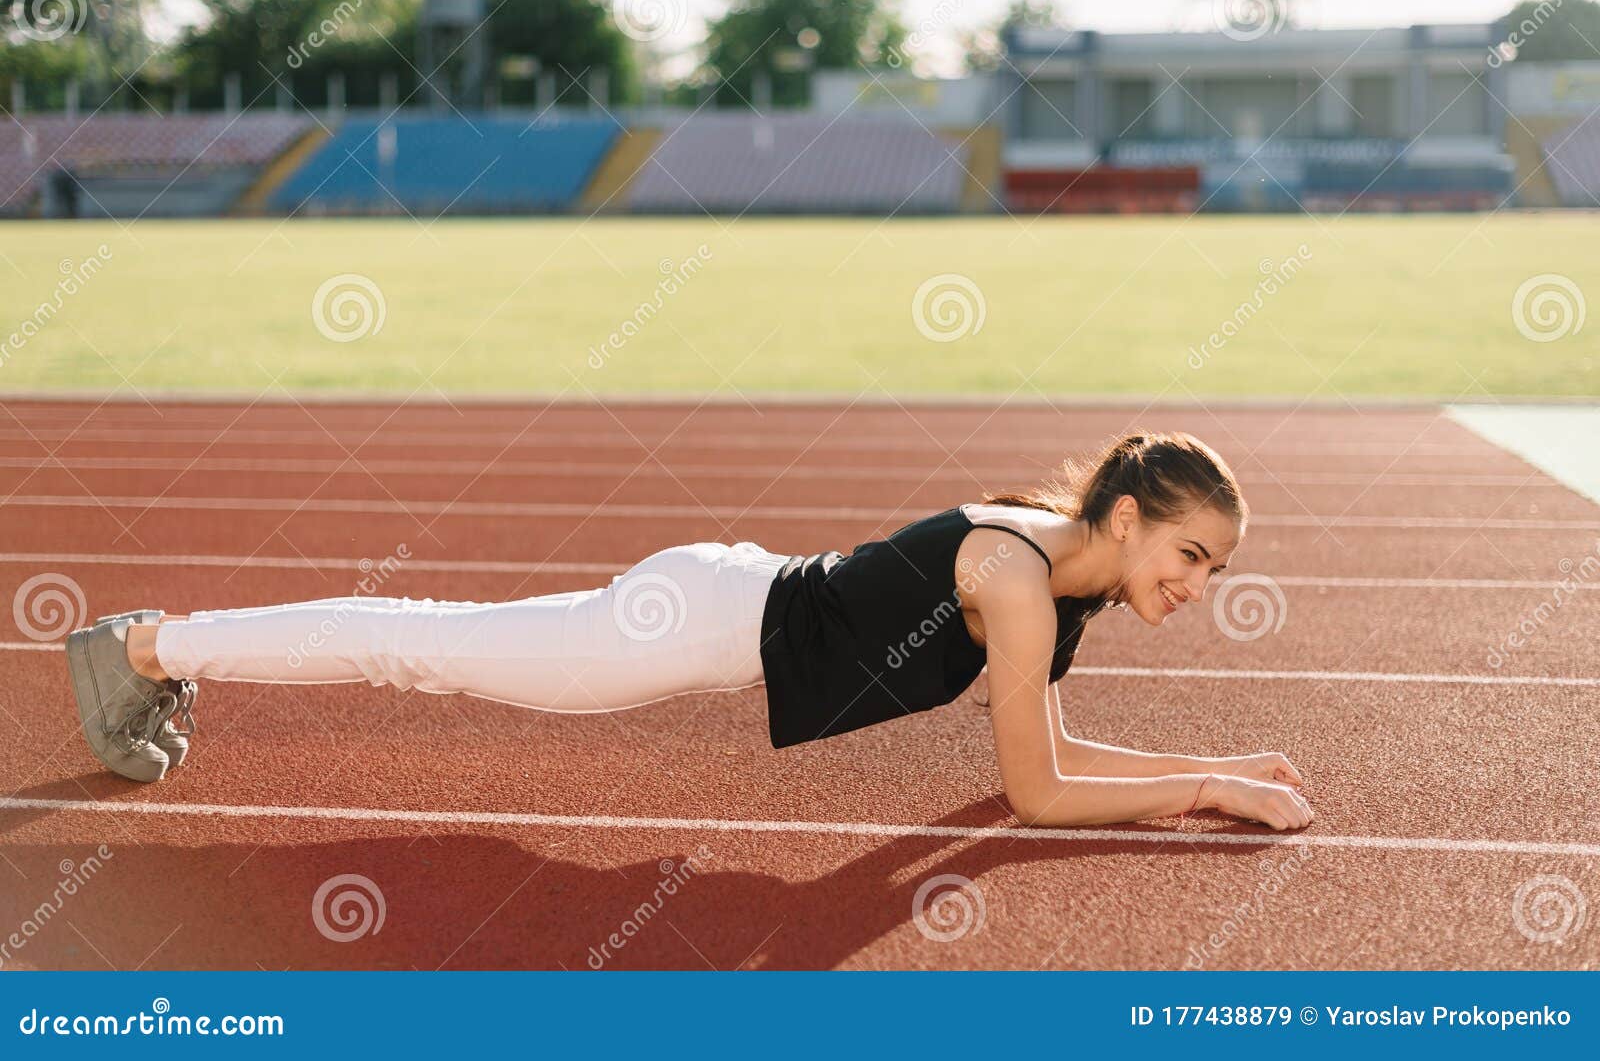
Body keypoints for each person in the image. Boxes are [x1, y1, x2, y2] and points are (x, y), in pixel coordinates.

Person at [64, 430, 1313, 831]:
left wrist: (1212, 778)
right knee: (424, 647)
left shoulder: (1057, 571)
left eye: (1213, 569)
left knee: (434, 642)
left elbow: (1050, 748)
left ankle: (155, 646)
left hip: (715, 597)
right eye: (1190, 555)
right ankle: (145, 649)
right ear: (1132, 515)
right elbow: (1033, 798)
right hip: (686, 628)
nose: (1196, 584)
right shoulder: (1018, 573)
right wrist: (1203, 788)